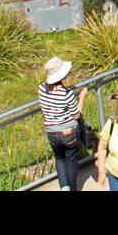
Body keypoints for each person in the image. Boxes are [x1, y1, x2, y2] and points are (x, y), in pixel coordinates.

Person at [38, 56, 87, 191]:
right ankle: (72, 188)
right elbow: (76, 115)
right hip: (68, 131)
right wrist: (81, 98)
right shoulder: (66, 94)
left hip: (51, 131)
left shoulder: (41, 88)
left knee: (59, 158)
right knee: (71, 161)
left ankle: (64, 187)